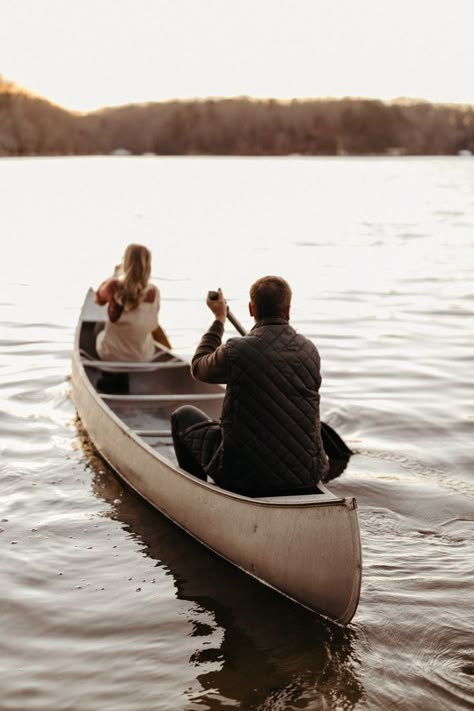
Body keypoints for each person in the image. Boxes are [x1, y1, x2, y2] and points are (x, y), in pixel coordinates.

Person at [171, 276, 329, 497]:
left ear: (251, 309)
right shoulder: (309, 351)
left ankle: (196, 497)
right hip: (306, 474)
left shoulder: (236, 350)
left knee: (183, 415)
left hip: (243, 475)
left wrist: (219, 319)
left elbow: (198, 367)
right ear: (288, 310)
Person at [94, 243, 160, 362]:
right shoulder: (154, 292)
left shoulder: (114, 285)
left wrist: (115, 275)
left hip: (111, 356)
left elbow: (98, 299)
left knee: (98, 327)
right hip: (143, 357)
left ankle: (106, 372)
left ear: (125, 262)